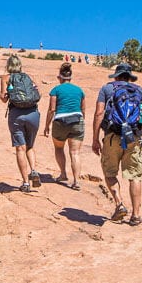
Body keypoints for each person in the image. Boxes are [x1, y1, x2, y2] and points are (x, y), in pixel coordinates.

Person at [92, 63, 142, 226]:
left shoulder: (107, 89)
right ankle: (135, 215)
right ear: (129, 77)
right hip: (133, 137)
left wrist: (95, 139)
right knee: (134, 176)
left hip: (113, 135)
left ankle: (119, 203)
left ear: (117, 76)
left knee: (109, 173)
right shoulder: (140, 91)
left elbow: (99, 113)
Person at [1, 55, 42, 192]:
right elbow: (38, 94)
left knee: (20, 148)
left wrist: (8, 95)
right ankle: (34, 170)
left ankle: (25, 183)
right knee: (30, 146)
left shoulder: (6, 78)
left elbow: (2, 98)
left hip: (16, 114)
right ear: (20, 65)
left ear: (8, 66)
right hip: (33, 114)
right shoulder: (28, 77)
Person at [43, 62, 85, 190]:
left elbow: (52, 109)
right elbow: (83, 109)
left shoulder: (56, 90)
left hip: (60, 121)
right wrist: (82, 122)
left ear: (59, 77)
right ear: (70, 77)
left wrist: (46, 126)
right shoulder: (79, 90)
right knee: (75, 152)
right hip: (77, 120)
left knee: (59, 148)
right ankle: (76, 181)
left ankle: (63, 174)